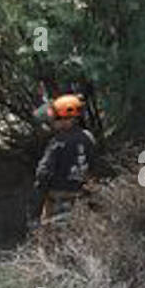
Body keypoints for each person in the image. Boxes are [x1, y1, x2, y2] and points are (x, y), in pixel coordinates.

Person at [31, 94, 96, 224]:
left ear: (68, 120)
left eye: (56, 119)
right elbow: (94, 168)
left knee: (56, 240)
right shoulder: (88, 137)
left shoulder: (57, 143)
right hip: (83, 201)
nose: (52, 123)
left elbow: (42, 175)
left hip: (58, 204)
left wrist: (35, 211)